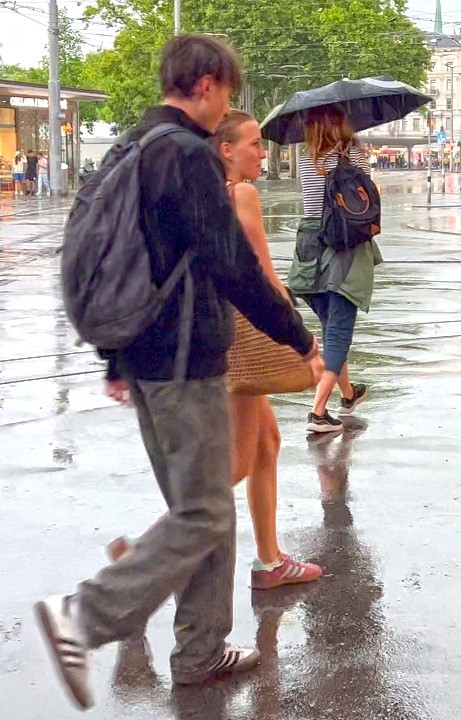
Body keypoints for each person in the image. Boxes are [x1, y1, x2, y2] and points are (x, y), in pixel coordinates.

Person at [34, 34, 323, 710]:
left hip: (144, 355)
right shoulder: (186, 155)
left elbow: (113, 256)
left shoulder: (131, 148)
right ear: (207, 83)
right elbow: (230, 263)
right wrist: (297, 337)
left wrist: (115, 356)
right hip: (182, 355)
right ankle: (83, 618)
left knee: (204, 505)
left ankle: (200, 653)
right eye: (227, 91)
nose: (226, 106)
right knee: (204, 511)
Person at [212, 110, 326, 587]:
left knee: (267, 443)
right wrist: (300, 338)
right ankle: (143, 555)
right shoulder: (240, 193)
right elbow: (261, 273)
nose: (264, 153)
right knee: (236, 462)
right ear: (227, 150)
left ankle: (269, 561)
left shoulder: (202, 195)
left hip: (218, 329)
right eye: (255, 144)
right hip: (247, 333)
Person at [287, 105, 378, 434]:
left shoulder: (305, 157)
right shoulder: (352, 155)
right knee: (339, 333)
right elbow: (366, 198)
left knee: (331, 329)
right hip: (343, 247)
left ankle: (349, 395)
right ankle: (318, 412)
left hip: (307, 248)